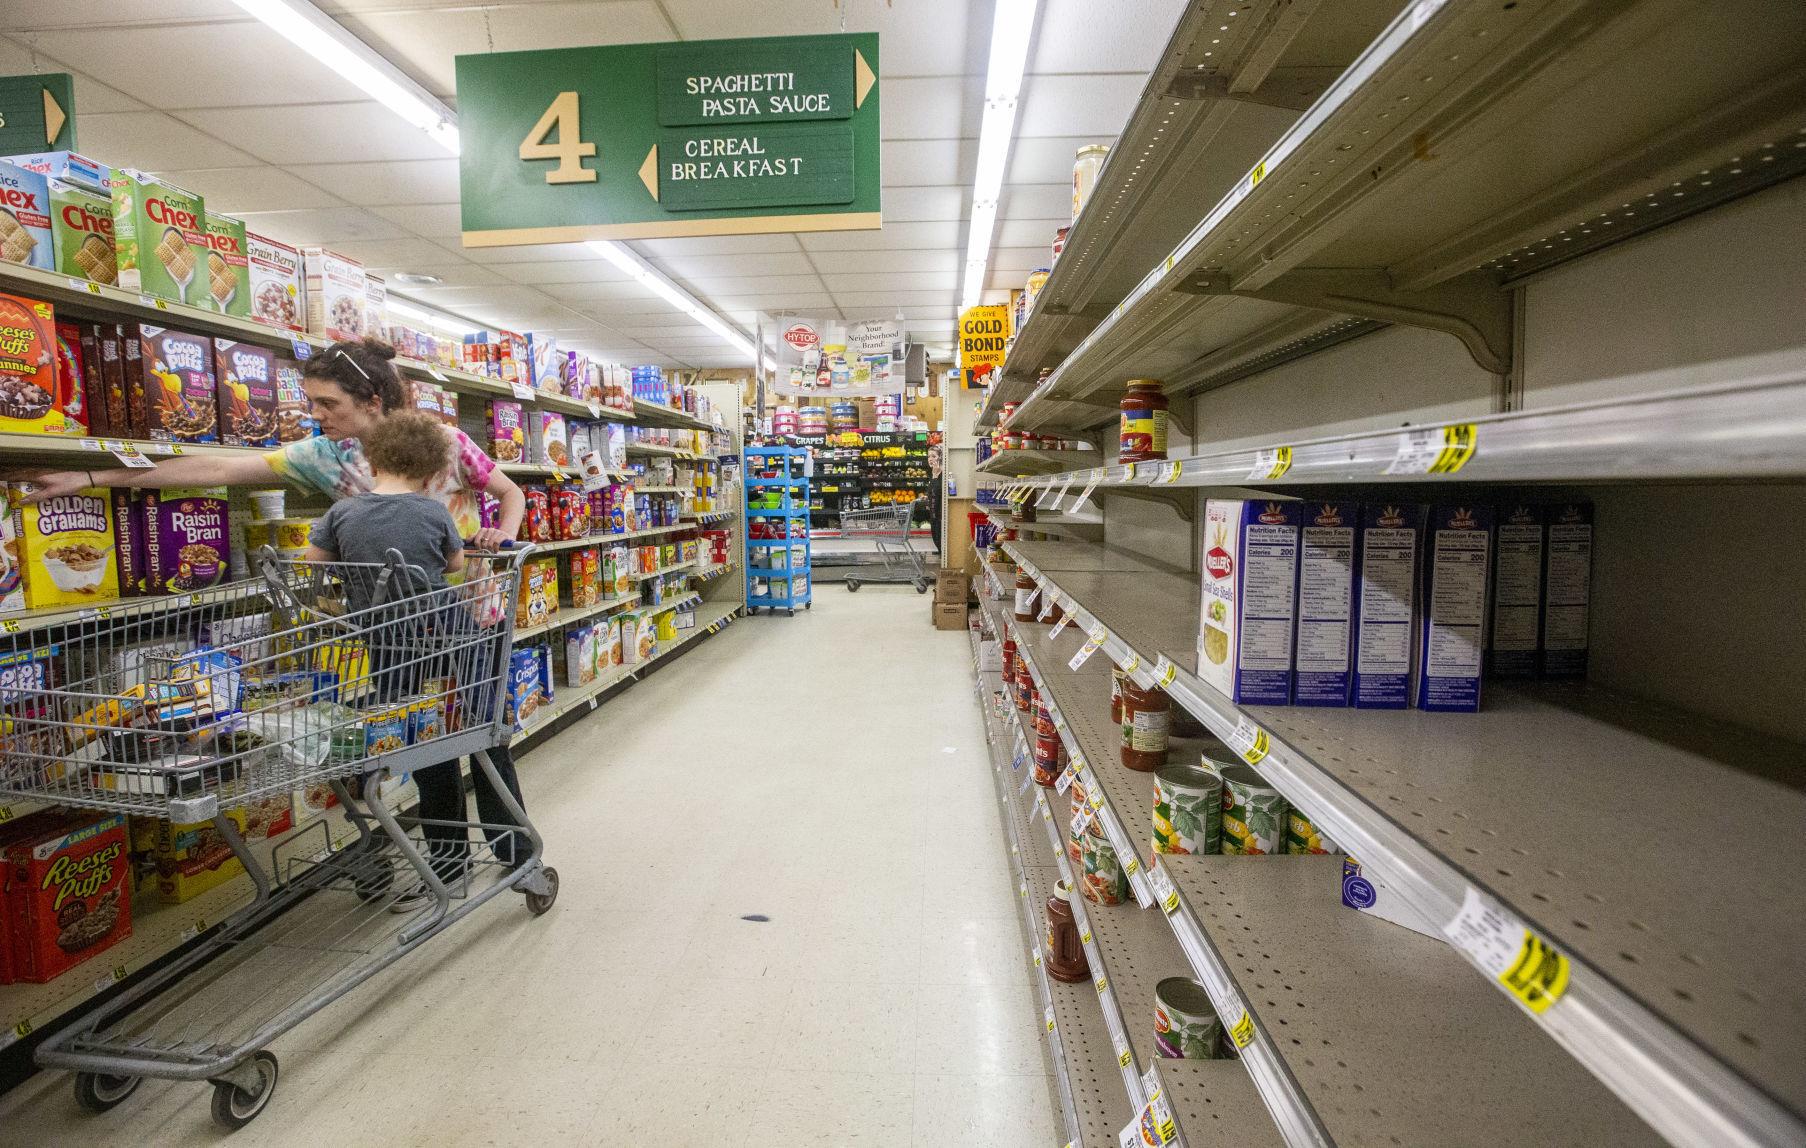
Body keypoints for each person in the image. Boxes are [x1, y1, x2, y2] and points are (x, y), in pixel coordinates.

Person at [20, 337, 533, 887]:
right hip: (390, 626)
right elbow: (213, 468)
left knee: (484, 736)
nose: (314, 415)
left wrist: (499, 537)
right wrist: (92, 478)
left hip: (470, 615)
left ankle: (516, 854)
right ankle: (448, 860)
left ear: (372, 400)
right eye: (310, 401)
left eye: (327, 403)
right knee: (424, 734)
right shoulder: (324, 457)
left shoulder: (445, 443)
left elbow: (510, 495)